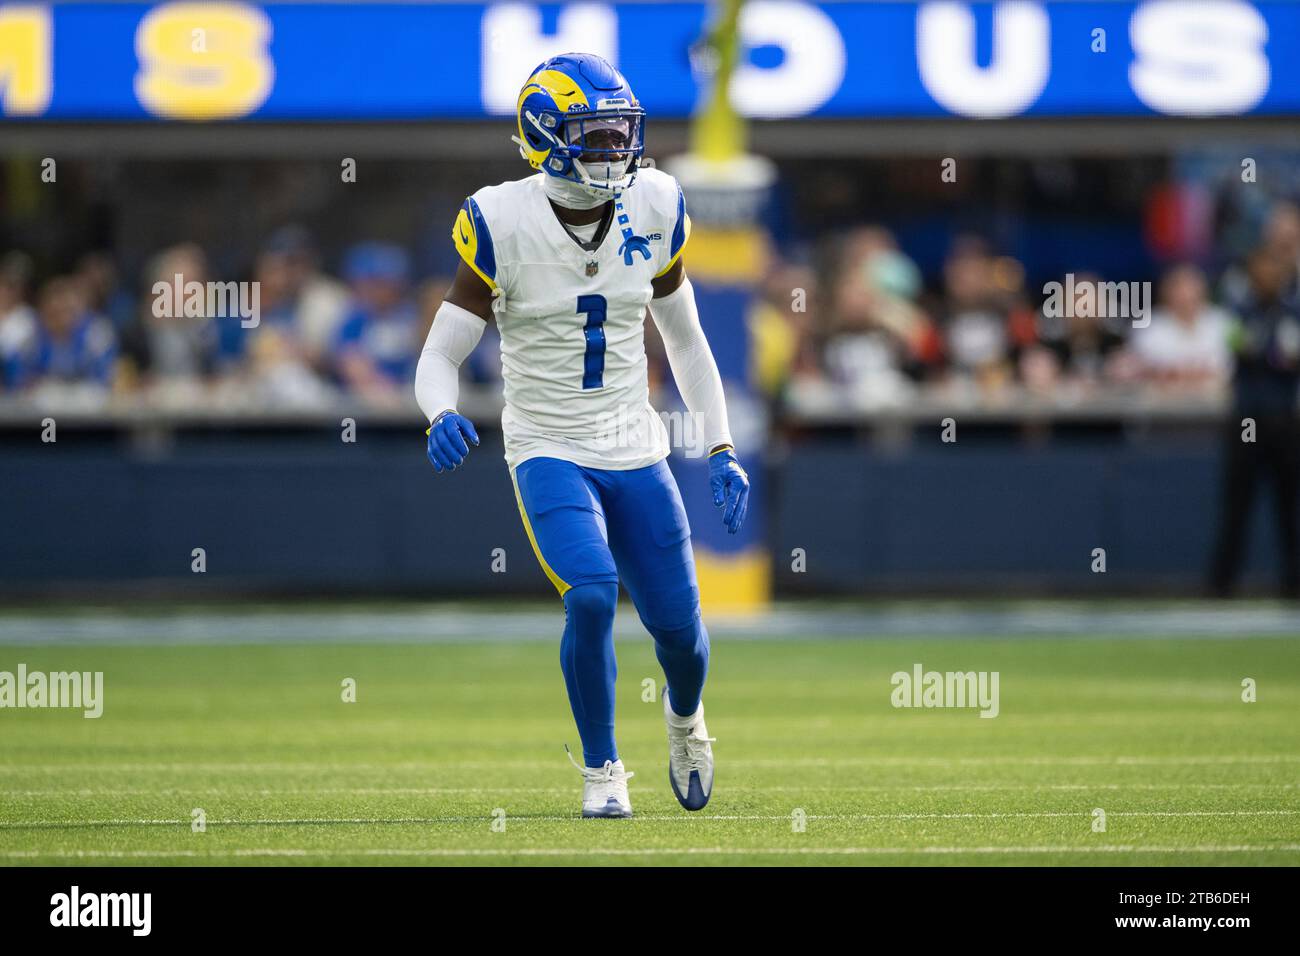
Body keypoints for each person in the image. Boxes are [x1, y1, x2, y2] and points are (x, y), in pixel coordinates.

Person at [413, 53, 749, 818]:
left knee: (682, 638)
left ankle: (686, 719)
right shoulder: (499, 220)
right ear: (545, 138)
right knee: (592, 596)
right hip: (548, 443)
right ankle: (603, 769)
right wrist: (440, 410)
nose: (614, 151)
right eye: (594, 137)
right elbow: (439, 354)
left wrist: (721, 445)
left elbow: (688, 342)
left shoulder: (657, 202)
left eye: (619, 134)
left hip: (635, 442)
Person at [1209, 248, 1300, 598]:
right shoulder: (1239, 313)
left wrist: (1268, 355)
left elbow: (1282, 358)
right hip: (1247, 419)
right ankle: (1222, 583)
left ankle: (1292, 582)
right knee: (1236, 504)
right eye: (1261, 271)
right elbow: (1241, 351)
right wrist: (1271, 356)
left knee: (1287, 505)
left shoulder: (1292, 313)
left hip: (1285, 420)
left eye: (1274, 270)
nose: (1268, 278)